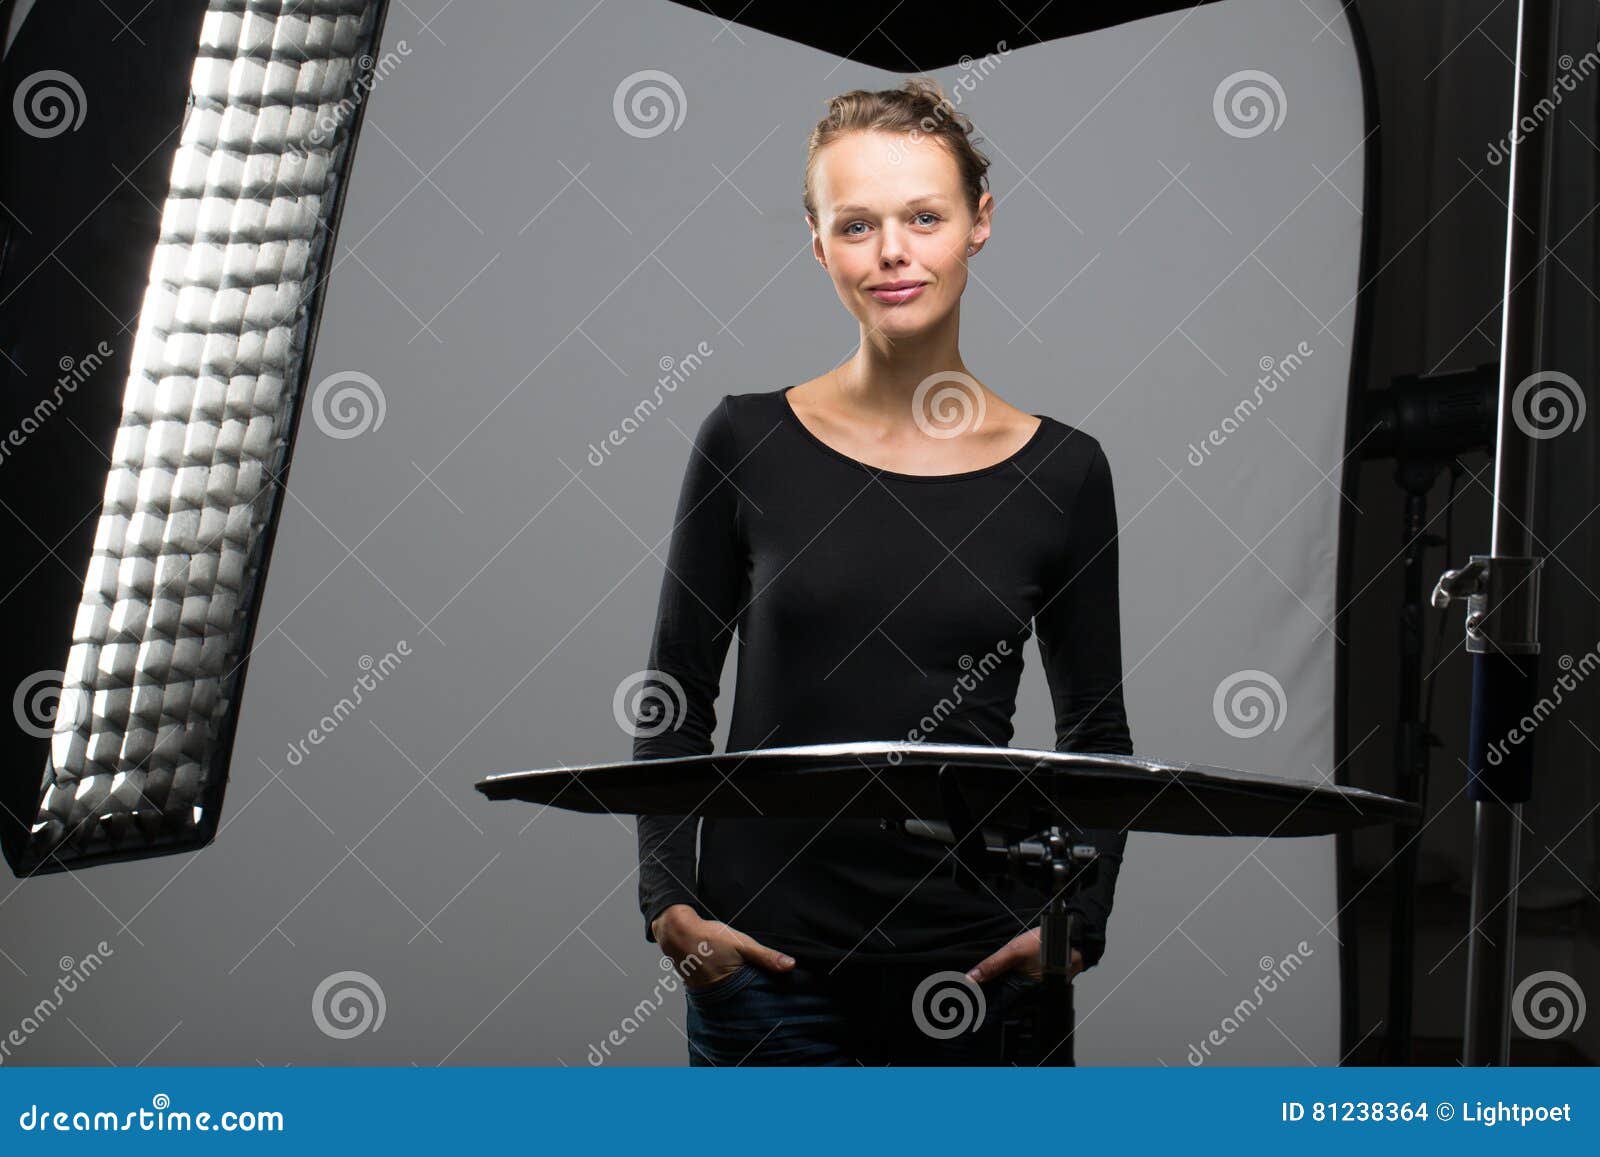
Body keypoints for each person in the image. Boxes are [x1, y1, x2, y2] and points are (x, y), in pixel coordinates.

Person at [630, 77, 1133, 1066]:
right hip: (768, 973)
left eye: (923, 216)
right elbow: (673, 696)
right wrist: (668, 904)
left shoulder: (1064, 470)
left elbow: (1096, 732)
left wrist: (1080, 920)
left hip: (980, 966)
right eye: (856, 224)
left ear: (977, 223)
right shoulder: (744, 439)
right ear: (817, 241)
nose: (892, 251)